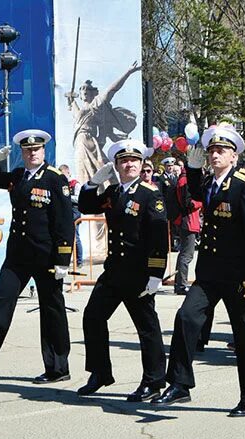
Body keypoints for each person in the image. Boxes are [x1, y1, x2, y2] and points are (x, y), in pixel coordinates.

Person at [151, 126, 245, 418]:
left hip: (239, 274)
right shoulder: (211, 182)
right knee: (186, 317)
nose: (215, 155)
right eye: (212, 151)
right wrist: (191, 168)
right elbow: (194, 193)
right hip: (210, 272)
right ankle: (179, 384)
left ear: (234, 155)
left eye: (221, 151)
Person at [0, 130, 75, 383]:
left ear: (44, 152)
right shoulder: (19, 176)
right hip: (18, 254)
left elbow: (64, 222)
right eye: (27, 150)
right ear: (22, 153)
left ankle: (58, 367)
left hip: (46, 256)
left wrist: (63, 258)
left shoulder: (55, 179)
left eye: (36, 150)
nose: (31, 154)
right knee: (1, 300)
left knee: (51, 310)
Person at [75, 139, 168, 402]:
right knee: (93, 317)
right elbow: (86, 206)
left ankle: (153, 381)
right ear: (116, 166)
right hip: (114, 271)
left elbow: (159, 237)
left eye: (134, 161)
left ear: (141, 165)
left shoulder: (150, 195)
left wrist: (156, 274)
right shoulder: (114, 193)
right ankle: (100, 372)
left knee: (147, 328)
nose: (129, 165)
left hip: (139, 274)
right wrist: (92, 184)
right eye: (123, 161)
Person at [169, 162, 202, 295]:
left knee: (185, 254)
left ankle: (180, 283)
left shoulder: (183, 179)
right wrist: (202, 201)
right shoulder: (185, 180)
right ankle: (181, 285)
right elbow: (188, 203)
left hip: (188, 220)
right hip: (188, 220)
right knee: (186, 255)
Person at [60, 164, 84, 268]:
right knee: (64, 237)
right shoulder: (61, 184)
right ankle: (65, 259)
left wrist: (67, 197)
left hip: (74, 212)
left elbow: (80, 199)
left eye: (63, 174)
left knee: (75, 237)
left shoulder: (75, 184)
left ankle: (79, 260)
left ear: (68, 172)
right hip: (64, 213)